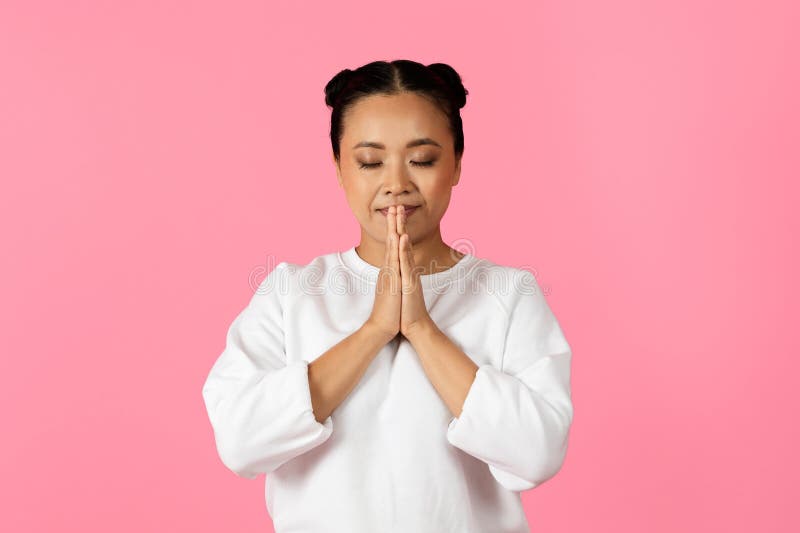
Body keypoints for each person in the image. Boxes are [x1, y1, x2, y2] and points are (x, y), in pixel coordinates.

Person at [201, 59, 574, 533]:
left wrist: (422, 329)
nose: (396, 183)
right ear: (339, 167)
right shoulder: (290, 294)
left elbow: (537, 453)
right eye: (370, 162)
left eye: (422, 160)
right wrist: (376, 329)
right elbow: (241, 441)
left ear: (457, 162)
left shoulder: (509, 294)